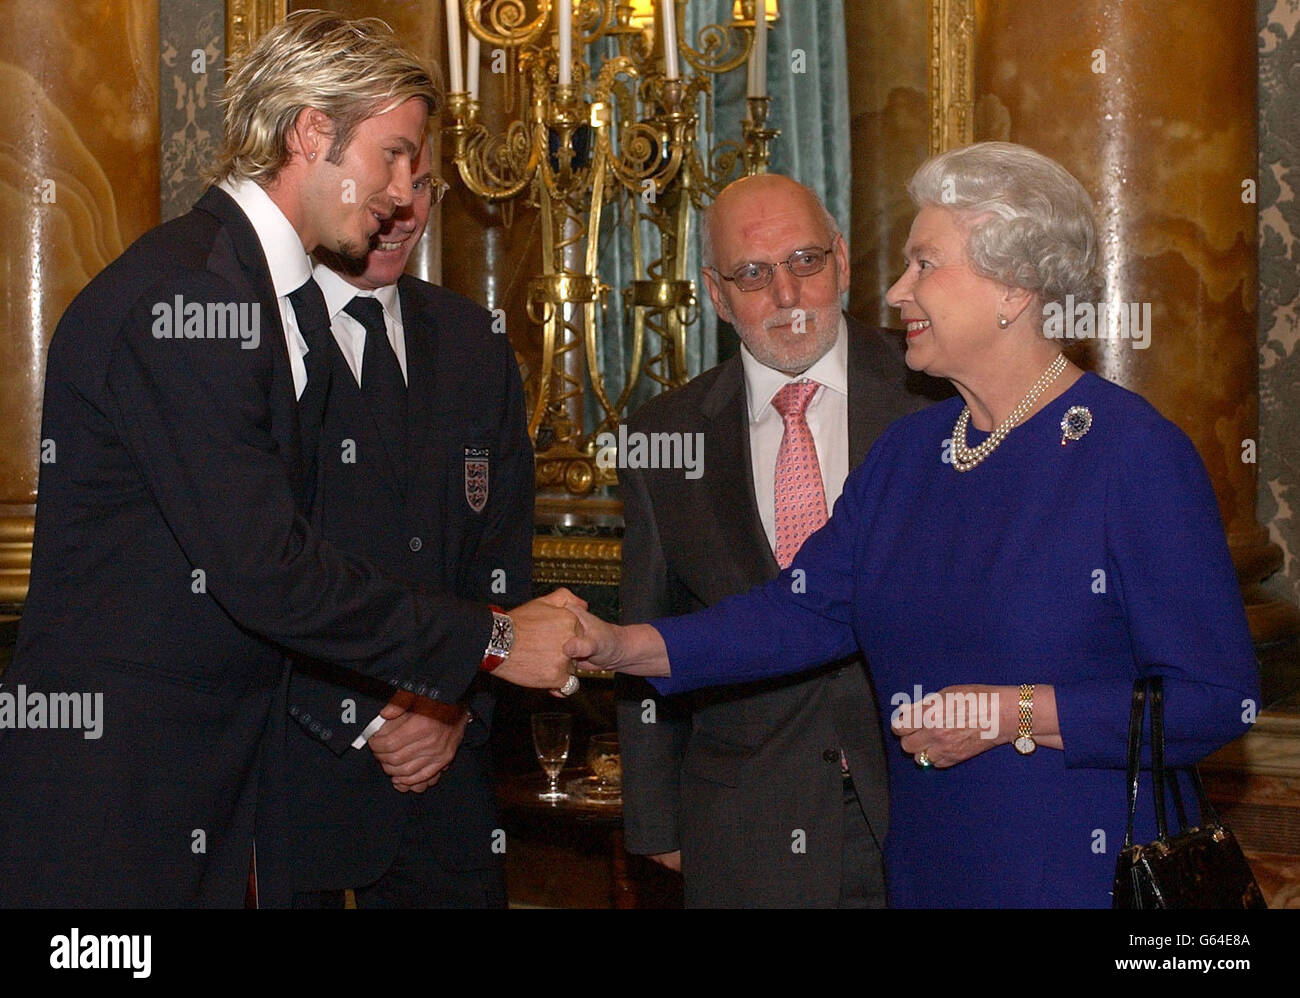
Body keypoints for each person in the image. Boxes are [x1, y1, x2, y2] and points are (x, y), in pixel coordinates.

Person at [572, 142, 1261, 907]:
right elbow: (796, 613)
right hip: (930, 872)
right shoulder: (911, 453)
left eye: (925, 265)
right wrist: (618, 644)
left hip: (1077, 871)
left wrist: (1014, 713)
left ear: (1015, 286)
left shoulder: (1129, 453)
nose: (897, 291)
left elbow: (1215, 699)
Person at [0, 11, 576, 908]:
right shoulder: (196, 294)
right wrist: (495, 638)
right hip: (120, 796)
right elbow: (270, 571)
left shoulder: (267, 293)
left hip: (204, 781)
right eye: (392, 155)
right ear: (312, 131)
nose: (402, 192)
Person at [615, 174, 946, 906]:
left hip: (923, 802)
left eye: (806, 262)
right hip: (744, 826)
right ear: (715, 292)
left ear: (845, 262)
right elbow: (649, 629)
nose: (788, 295)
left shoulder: (936, 398)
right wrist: (655, 821)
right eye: (754, 274)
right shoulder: (662, 438)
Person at [275, 138, 527, 908]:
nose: (404, 209)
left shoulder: (474, 341)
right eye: (387, 183)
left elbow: (504, 554)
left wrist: (452, 704)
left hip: (447, 784)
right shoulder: (257, 335)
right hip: (287, 777)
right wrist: (359, 714)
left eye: (422, 186)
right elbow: (242, 566)